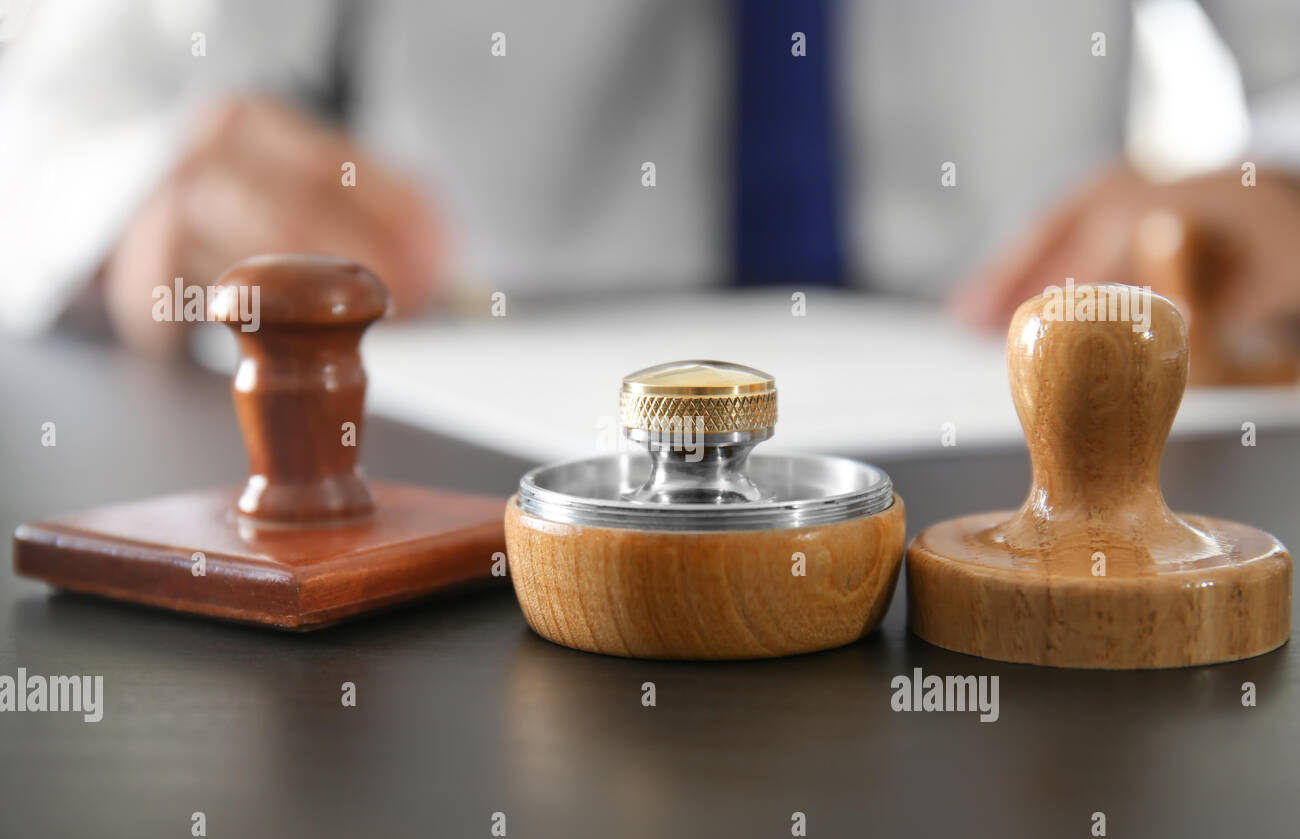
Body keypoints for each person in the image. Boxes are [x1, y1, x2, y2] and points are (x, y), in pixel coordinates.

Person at [2, 0, 1299, 362]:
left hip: (1010, 405)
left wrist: (1279, 194)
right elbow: (49, 131)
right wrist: (150, 211)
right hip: (452, 411)